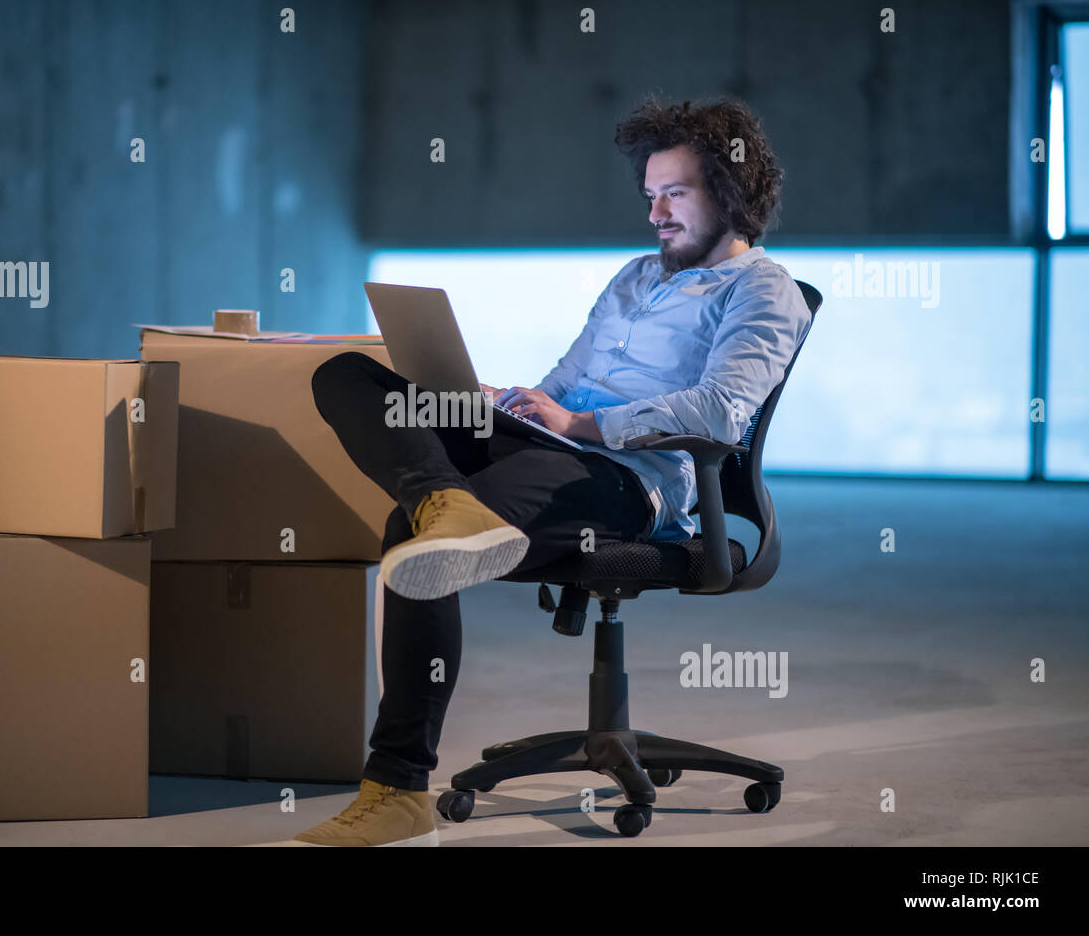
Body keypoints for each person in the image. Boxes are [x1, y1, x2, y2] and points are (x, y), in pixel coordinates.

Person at [294, 96, 813, 845]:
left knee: (411, 535)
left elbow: (720, 413)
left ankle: (397, 790)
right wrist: (506, 403)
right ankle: (448, 500)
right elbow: (563, 384)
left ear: (730, 191)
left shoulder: (766, 292)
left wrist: (582, 426)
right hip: (552, 445)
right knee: (348, 375)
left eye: (676, 193)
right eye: (650, 195)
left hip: (632, 483)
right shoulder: (635, 277)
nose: (656, 213)